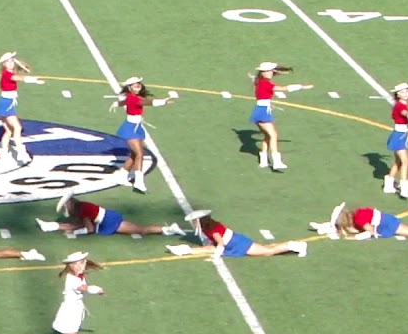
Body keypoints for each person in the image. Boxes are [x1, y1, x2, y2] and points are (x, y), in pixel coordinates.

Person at [112, 76, 177, 193]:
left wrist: (117, 104)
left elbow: (125, 102)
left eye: (139, 84)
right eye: (135, 85)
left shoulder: (132, 97)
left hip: (137, 127)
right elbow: (146, 102)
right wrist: (163, 101)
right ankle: (139, 182)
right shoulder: (134, 99)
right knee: (140, 154)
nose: (138, 86)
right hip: (130, 128)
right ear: (129, 87)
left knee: (134, 154)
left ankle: (121, 176)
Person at [166, 209, 308, 258]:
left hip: (238, 243)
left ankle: (296, 246)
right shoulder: (208, 226)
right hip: (234, 242)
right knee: (209, 248)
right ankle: (183, 250)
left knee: (267, 251)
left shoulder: (212, 229)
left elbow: (220, 243)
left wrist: (216, 256)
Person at [250, 62, 312, 172]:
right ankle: (276, 162)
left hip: (261, 110)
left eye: (271, 71)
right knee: (273, 135)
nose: (270, 73)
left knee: (267, 136)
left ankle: (263, 161)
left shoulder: (261, 81)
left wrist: (279, 71)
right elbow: (283, 88)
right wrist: (301, 86)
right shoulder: (265, 84)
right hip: (263, 111)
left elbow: (271, 76)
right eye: (267, 71)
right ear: (262, 73)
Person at [37, 193, 186, 237]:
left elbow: (89, 229)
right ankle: (49, 226)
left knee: (140, 229)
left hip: (110, 221)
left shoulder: (82, 210)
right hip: (105, 219)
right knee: (74, 224)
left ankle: (168, 229)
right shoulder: (81, 208)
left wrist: (76, 232)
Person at [0, 51, 45, 165]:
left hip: (5, 102)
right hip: (6, 103)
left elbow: (27, 68)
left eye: (11, 61)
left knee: (8, 131)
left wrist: (17, 62)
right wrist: (33, 80)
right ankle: (21, 152)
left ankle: (4, 153)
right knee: (17, 127)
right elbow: (18, 78)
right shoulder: (7, 74)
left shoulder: (9, 71)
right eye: (7, 62)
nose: (10, 63)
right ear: (4, 64)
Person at [314, 202, 408, 240]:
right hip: (385, 221)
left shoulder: (359, 220)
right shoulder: (357, 214)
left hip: (387, 224)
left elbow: (369, 232)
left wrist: (353, 237)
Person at [382, 82, 408, 198]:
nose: (405, 93)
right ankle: (404, 188)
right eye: (402, 92)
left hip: (401, 135)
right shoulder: (400, 106)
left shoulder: (402, 104)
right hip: (399, 136)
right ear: (398, 94)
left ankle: (388, 185)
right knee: (405, 161)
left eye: (406, 91)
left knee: (399, 162)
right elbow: (405, 114)